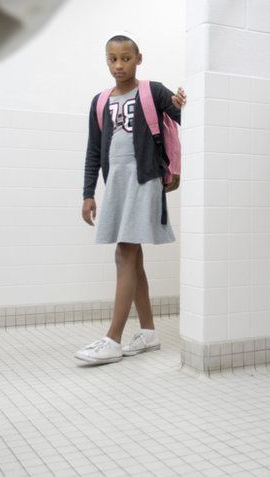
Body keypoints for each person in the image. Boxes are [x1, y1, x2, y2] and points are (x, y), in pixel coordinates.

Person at [76, 34, 185, 365]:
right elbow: (94, 150)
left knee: (125, 252)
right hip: (117, 185)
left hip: (144, 179)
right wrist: (88, 193)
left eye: (126, 58)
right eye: (112, 59)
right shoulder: (100, 100)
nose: (119, 65)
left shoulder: (153, 91)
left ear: (139, 58)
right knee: (130, 258)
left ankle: (113, 338)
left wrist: (181, 105)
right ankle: (149, 332)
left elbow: (183, 120)